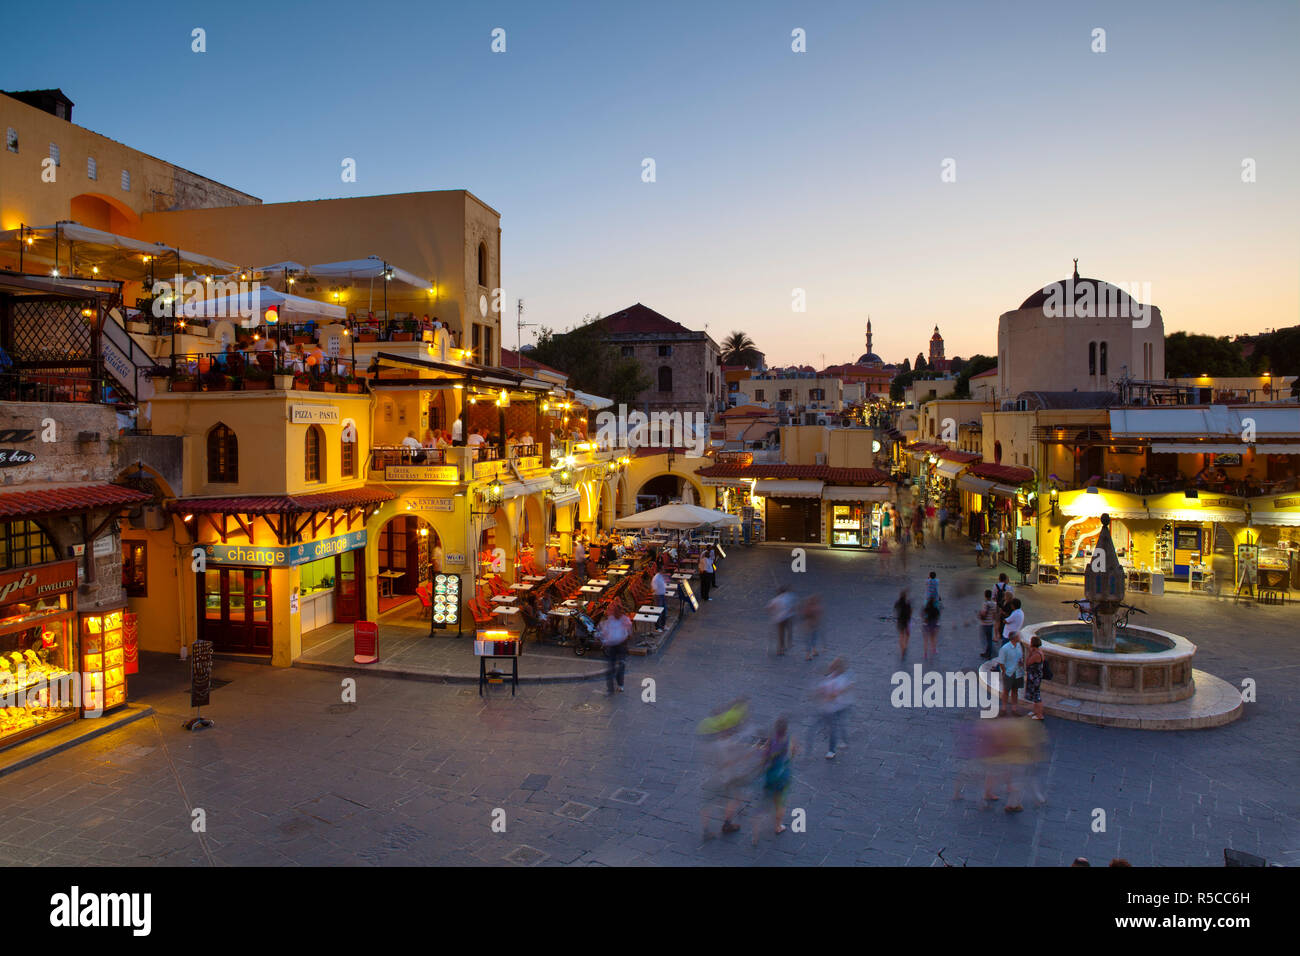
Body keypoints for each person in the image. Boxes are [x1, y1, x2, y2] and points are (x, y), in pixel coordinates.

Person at [753, 716, 797, 845]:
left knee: (765, 801)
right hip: (783, 774)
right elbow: (793, 754)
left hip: (770, 773)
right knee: (781, 802)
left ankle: (755, 834)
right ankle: (778, 826)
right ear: (785, 729)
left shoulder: (771, 740)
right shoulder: (789, 740)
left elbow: (764, 756)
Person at [816, 658, 853, 758]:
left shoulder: (841, 679)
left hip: (840, 706)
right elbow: (823, 689)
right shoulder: (830, 677)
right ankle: (843, 741)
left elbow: (836, 693)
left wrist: (826, 698)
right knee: (838, 724)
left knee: (834, 728)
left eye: (833, 667)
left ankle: (831, 750)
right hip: (832, 707)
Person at [598, 603, 632, 694]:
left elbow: (628, 629)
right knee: (611, 667)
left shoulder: (623, 619)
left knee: (619, 667)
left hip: (621, 646)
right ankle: (610, 688)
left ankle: (619, 685)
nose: (607, 611)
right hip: (612, 646)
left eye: (609, 609)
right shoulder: (610, 620)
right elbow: (606, 632)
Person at [997, 629, 1025, 716]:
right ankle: (1003, 708)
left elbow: (1021, 657)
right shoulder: (1005, 648)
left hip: (1018, 672)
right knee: (1006, 691)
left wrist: (1021, 662)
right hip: (1009, 673)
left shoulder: (1019, 646)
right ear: (1014, 638)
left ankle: (1014, 709)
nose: (1020, 637)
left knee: (1015, 691)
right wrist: (1005, 671)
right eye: (1019, 636)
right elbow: (1001, 662)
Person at [767, 587, 797, 655]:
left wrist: (773, 613)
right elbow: (793, 607)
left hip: (779, 619)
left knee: (781, 634)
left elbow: (769, 608)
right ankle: (788, 644)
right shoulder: (788, 598)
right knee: (788, 631)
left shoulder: (775, 600)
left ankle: (780, 649)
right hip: (787, 617)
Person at [1024, 634, 1047, 720]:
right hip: (1035, 676)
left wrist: (1030, 653)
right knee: (1035, 695)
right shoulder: (1039, 651)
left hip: (1035, 677)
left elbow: (1028, 663)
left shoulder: (1036, 654)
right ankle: (1035, 711)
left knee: (1037, 696)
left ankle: (1039, 715)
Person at [993, 573, 1015, 642]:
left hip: (998, 606)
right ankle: (1005, 634)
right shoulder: (1009, 587)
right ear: (1005, 579)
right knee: (1006, 620)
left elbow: (993, 597)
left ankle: (996, 636)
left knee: (997, 621)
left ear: (999, 578)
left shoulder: (995, 586)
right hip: (1007, 606)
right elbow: (1012, 597)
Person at [801, 593, 822, 660]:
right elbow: (805, 616)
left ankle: (813, 651)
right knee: (810, 639)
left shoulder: (815, 607)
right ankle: (808, 654)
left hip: (812, 626)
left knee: (812, 639)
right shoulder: (811, 608)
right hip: (810, 626)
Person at [978, 588, 998, 659]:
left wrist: (979, 614)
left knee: (985, 639)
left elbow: (983, 614)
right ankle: (989, 652)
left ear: (985, 595)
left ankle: (988, 653)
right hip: (990, 623)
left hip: (985, 624)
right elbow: (994, 615)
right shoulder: (994, 604)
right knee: (989, 638)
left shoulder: (985, 604)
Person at [921, 591, 941, 662]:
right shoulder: (935, 608)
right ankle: (933, 649)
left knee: (925, 640)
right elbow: (938, 617)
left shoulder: (926, 607)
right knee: (933, 638)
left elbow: (922, 614)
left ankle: (925, 654)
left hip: (926, 624)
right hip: (933, 624)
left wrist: (924, 619)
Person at [894, 589, 912, 659]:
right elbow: (910, 613)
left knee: (901, 635)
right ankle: (905, 646)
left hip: (900, 621)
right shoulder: (907, 604)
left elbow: (895, 610)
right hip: (906, 621)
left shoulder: (898, 603)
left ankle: (902, 649)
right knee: (907, 634)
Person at [651, 566, 669, 631]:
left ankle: (663, 625)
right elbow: (654, 589)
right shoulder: (656, 578)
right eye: (663, 569)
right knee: (658, 612)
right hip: (658, 596)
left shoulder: (661, 576)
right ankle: (657, 627)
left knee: (664, 611)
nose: (664, 570)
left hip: (662, 595)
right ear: (660, 570)